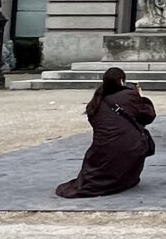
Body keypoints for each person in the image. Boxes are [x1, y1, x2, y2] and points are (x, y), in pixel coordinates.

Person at [55, 67, 157, 199]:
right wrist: (142, 98)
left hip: (102, 148)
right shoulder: (129, 95)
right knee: (137, 140)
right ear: (121, 81)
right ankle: (126, 178)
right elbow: (148, 116)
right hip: (130, 146)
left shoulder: (95, 102)